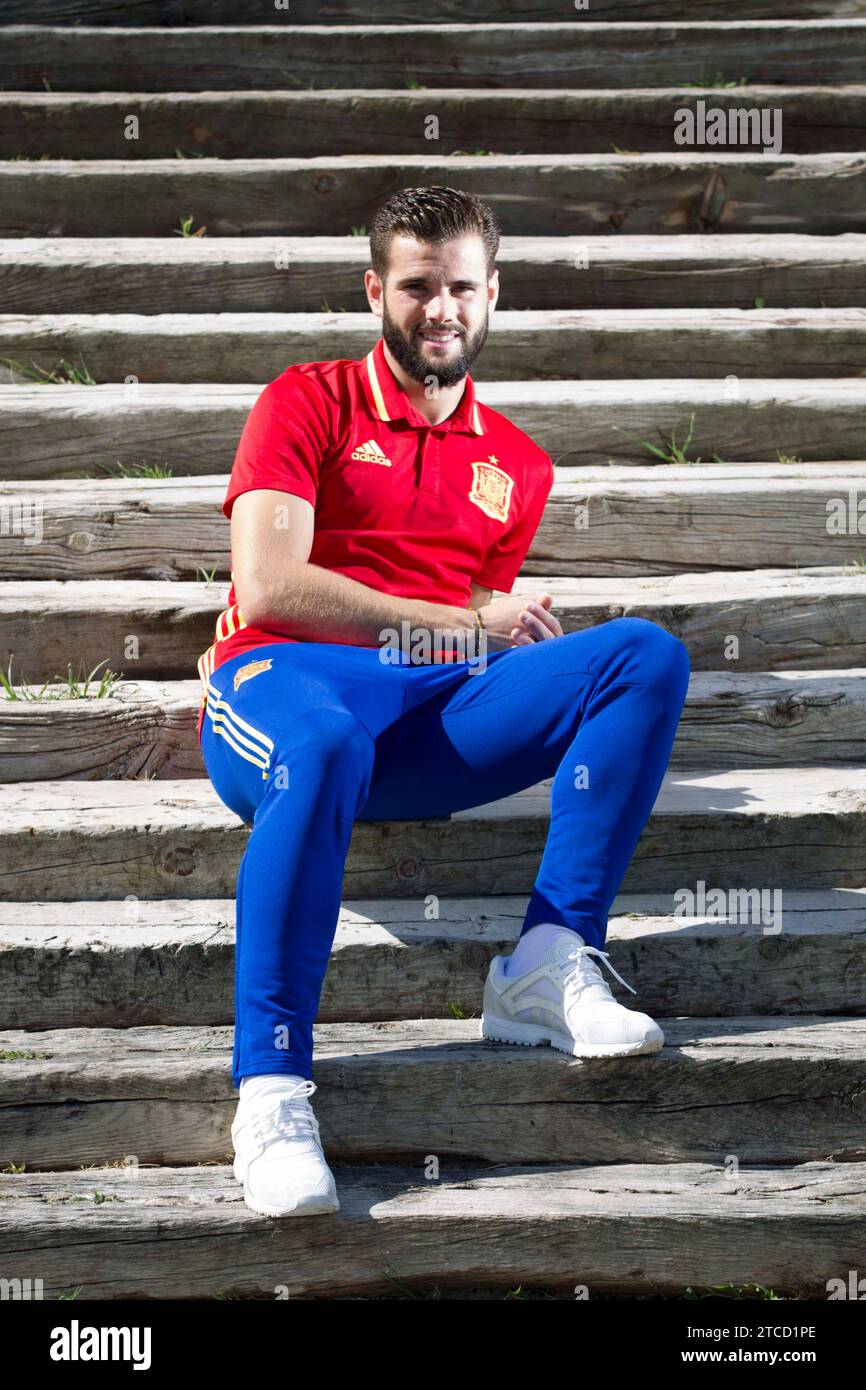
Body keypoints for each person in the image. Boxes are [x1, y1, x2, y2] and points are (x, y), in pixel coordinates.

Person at [196, 186, 691, 1219]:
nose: (440, 308)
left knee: (640, 655)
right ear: (377, 290)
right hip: (287, 686)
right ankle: (273, 1088)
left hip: (425, 712)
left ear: (491, 293)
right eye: (417, 285)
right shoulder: (303, 400)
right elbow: (274, 585)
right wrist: (465, 622)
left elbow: (462, 616)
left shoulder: (517, 462)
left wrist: (496, 625)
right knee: (327, 739)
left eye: (460, 285)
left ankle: (546, 961)